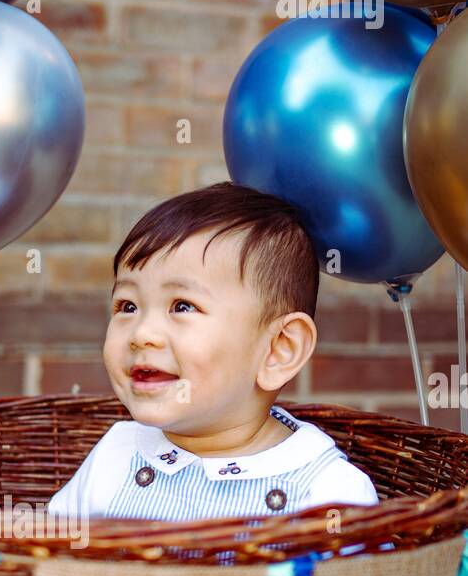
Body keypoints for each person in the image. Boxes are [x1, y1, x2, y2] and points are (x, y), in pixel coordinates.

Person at [47, 182, 378, 523]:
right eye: (128, 306)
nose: (142, 334)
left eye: (182, 306)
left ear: (280, 349)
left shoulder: (328, 493)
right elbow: (51, 551)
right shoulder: (116, 455)